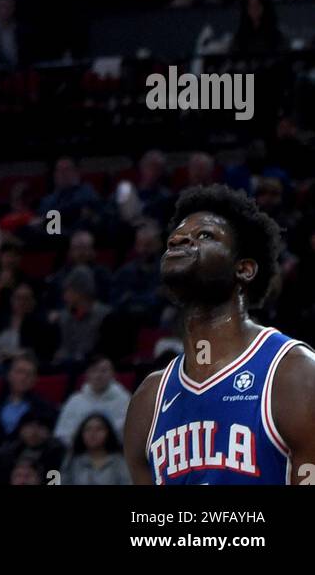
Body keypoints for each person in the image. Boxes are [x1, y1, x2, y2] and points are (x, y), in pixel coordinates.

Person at [124, 185, 315, 485]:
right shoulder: (148, 401)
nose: (178, 238)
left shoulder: (294, 374)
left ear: (245, 269)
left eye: (205, 235)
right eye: (175, 236)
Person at [54, 356, 132, 447]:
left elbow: (130, 434)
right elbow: (62, 434)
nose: (98, 375)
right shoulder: (74, 401)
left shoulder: (124, 400)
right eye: (94, 371)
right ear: (87, 374)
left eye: (103, 371)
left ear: (113, 374)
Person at [63, 414, 131, 486]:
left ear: (108, 432)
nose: (93, 434)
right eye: (88, 429)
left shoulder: (120, 462)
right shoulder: (72, 461)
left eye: (99, 429)